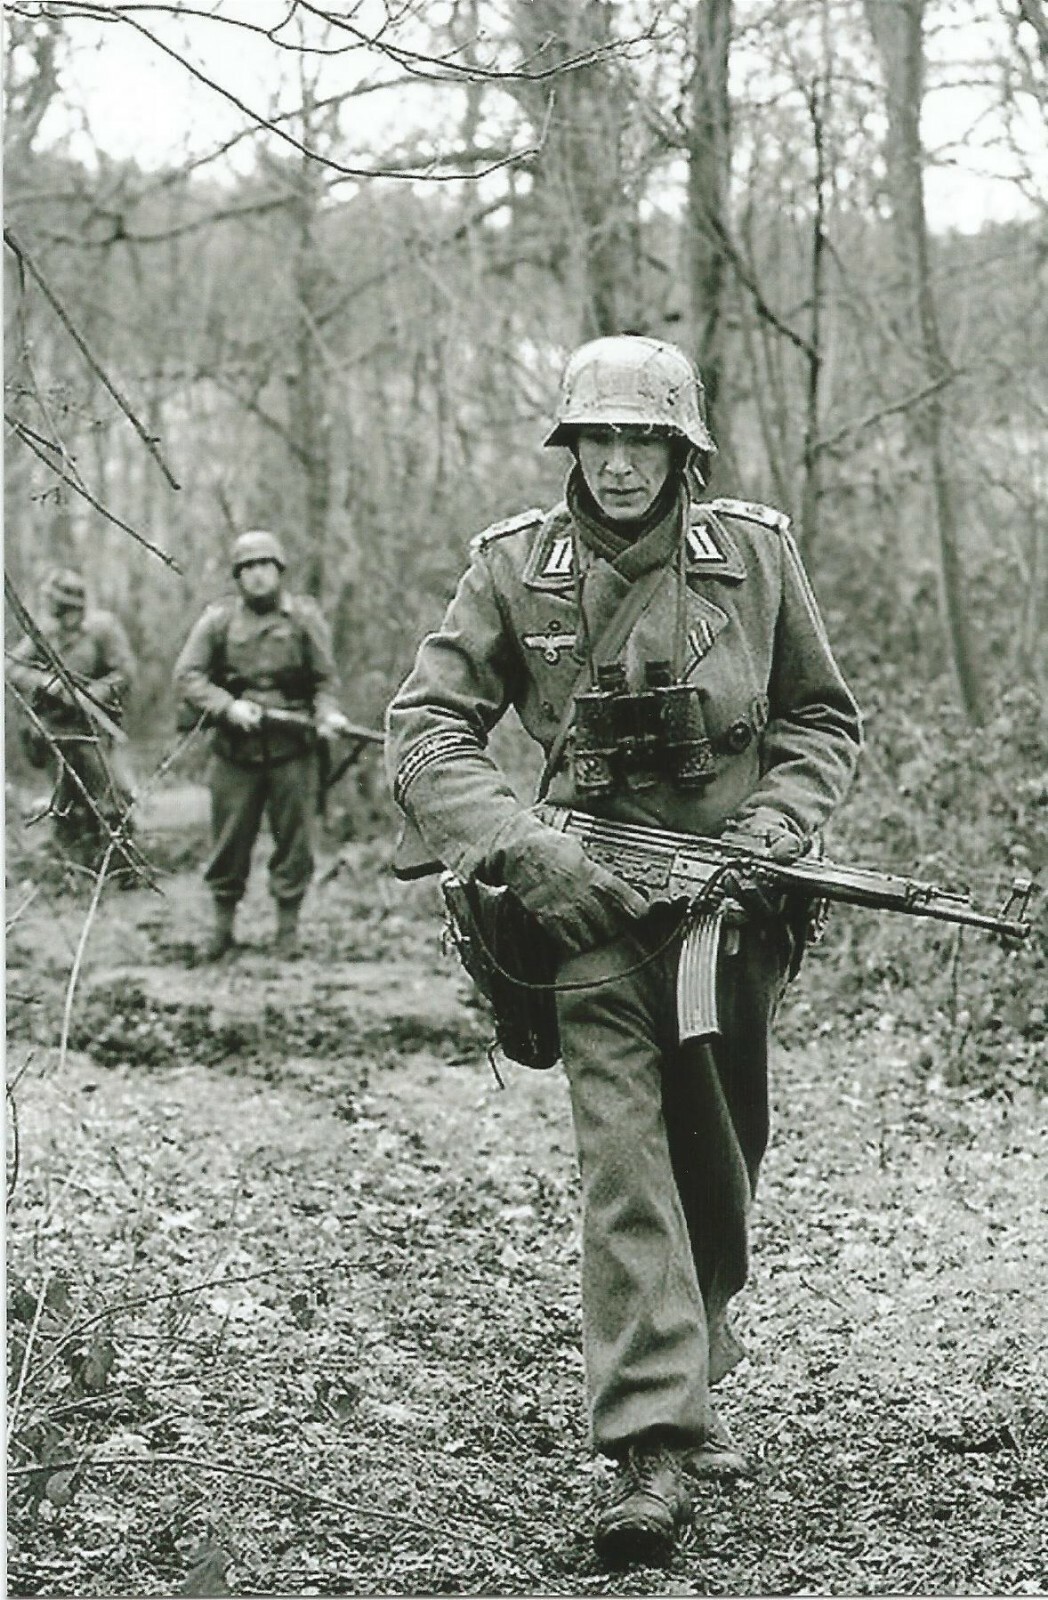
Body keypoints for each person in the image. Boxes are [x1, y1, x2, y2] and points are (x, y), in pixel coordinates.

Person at [386, 335, 863, 1566]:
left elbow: (820, 718)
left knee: (721, 1153)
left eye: (642, 439)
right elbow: (426, 728)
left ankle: (692, 1342)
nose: (618, 463)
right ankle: (650, 1440)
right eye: (597, 438)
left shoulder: (753, 557)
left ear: (681, 450)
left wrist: (771, 828)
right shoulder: (515, 569)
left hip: (731, 916)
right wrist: (522, 848)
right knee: (624, 1159)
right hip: (588, 918)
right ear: (570, 448)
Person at [173, 530, 352, 959]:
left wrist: (328, 713)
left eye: (265, 565)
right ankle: (222, 931)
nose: (257, 575)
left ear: (279, 570)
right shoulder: (218, 621)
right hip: (236, 751)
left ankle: (287, 932)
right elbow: (188, 676)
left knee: (295, 843)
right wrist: (227, 706)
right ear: (237, 576)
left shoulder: (304, 618)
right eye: (248, 568)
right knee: (229, 842)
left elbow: (325, 680)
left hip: (293, 750)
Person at [8, 566, 137, 873]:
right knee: (64, 801)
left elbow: (125, 672)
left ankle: (121, 867)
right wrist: (45, 683)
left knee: (111, 797)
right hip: (55, 732)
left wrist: (91, 694)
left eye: (59, 603)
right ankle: (73, 870)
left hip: (94, 729)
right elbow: (10, 667)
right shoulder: (43, 633)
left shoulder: (103, 629)